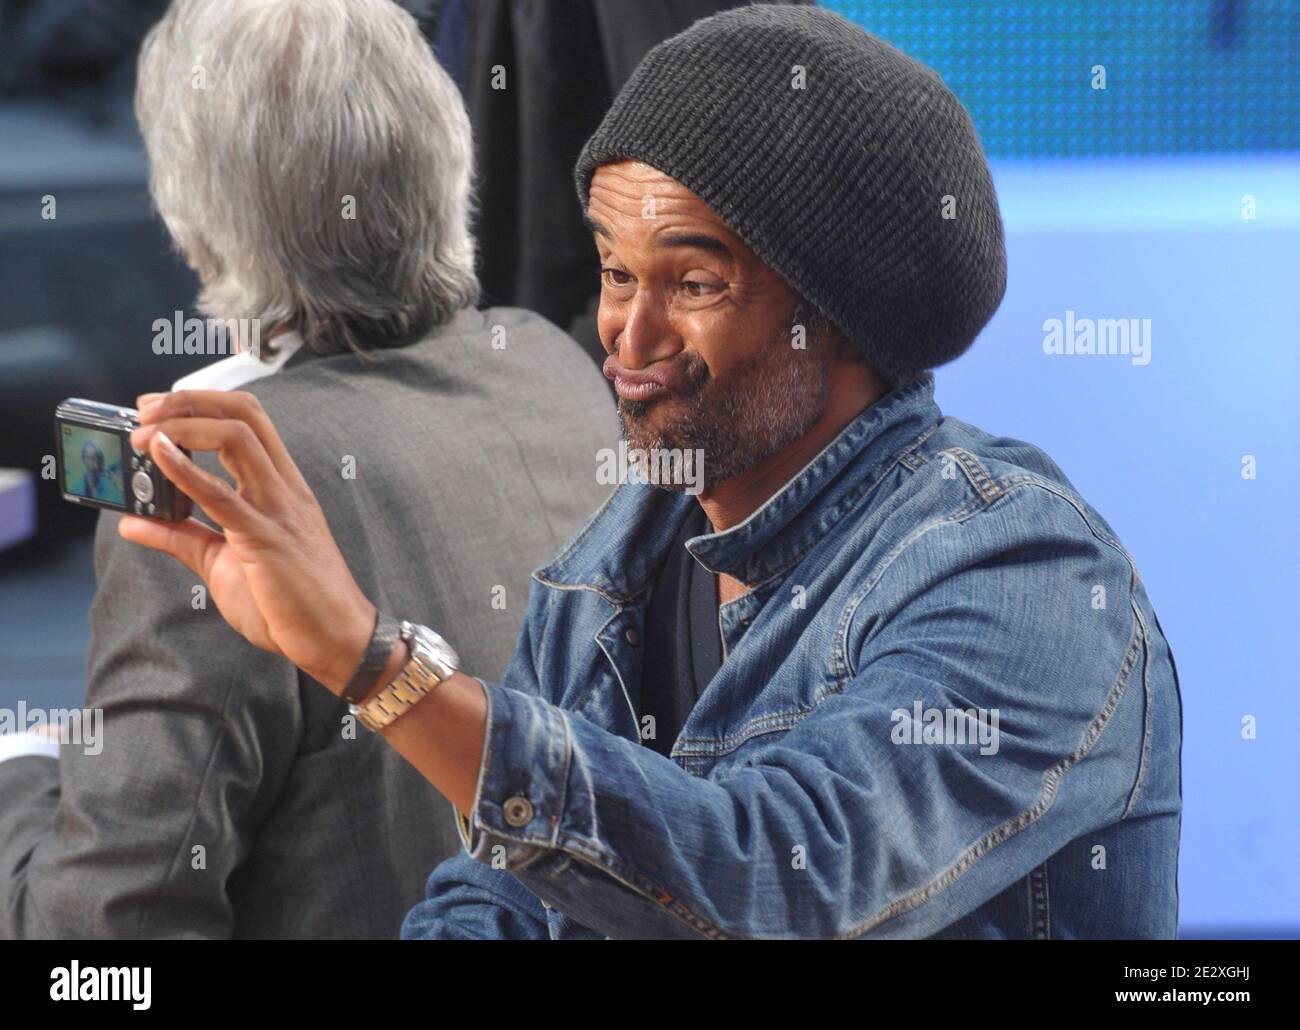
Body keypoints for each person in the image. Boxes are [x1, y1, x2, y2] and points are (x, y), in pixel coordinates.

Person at [113, 6, 1183, 939]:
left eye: (696, 281)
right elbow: (501, 899)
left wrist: (367, 656)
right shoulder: (609, 565)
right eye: (616, 271)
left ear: (843, 319)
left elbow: (775, 880)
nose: (627, 330)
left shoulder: (1021, 573)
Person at [0, 0, 615, 939]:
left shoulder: (217, 489)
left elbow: (101, 945)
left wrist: (20, 780)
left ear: (189, 213)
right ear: (446, 161)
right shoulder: (554, 364)